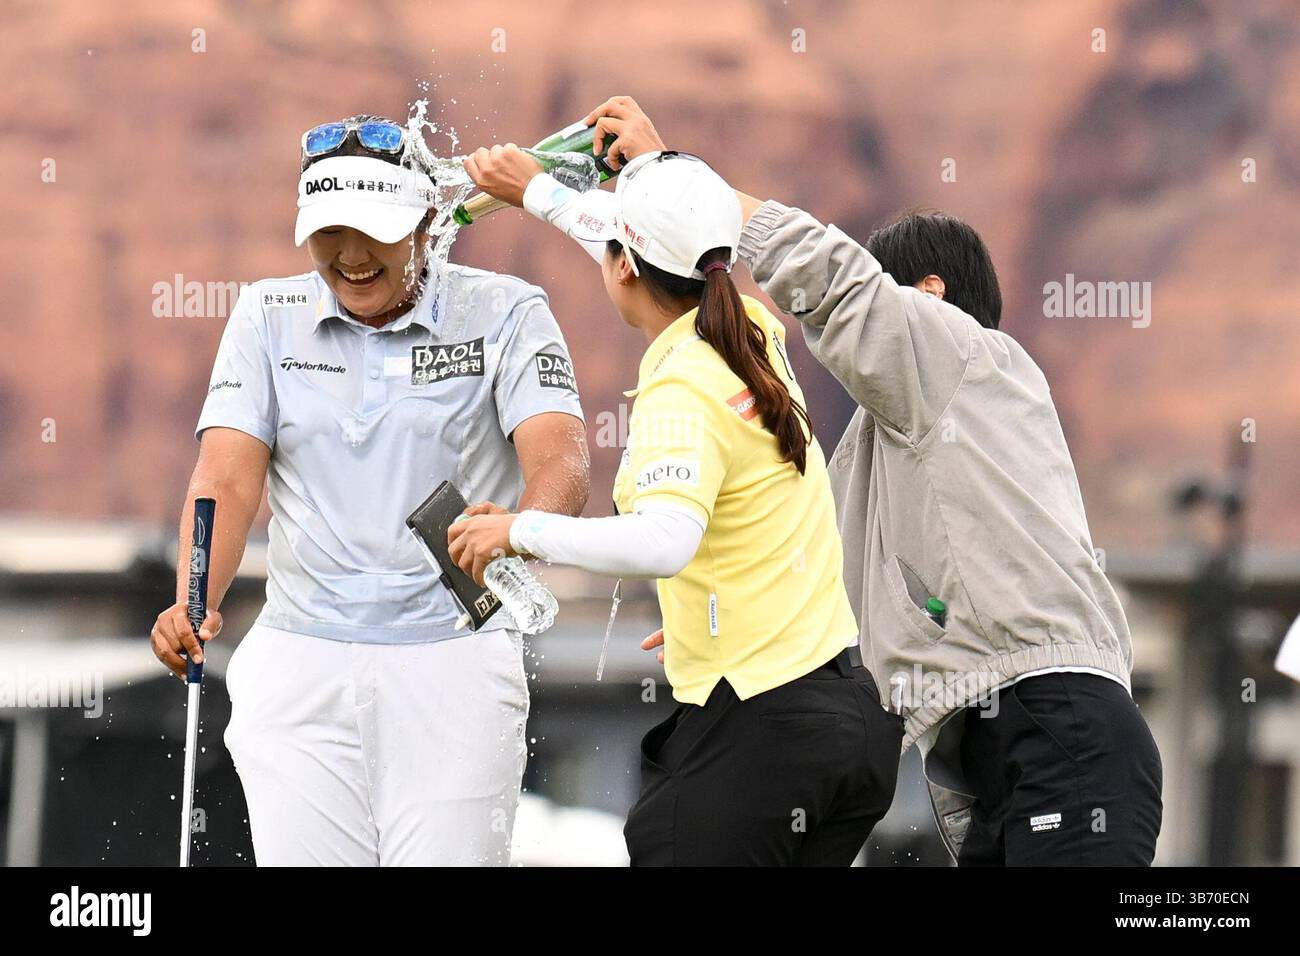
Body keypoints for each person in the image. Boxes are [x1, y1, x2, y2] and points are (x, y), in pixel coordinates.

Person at [587, 96, 1162, 866]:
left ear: (925, 298)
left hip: (1059, 729)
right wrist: (737, 614)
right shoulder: (889, 446)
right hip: (993, 759)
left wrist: (679, 181)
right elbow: (835, 596)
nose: (838, 344)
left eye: (882, 297)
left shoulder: (962, 354)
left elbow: (834, 280)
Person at [148, 115, 590, 866]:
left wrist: (522, 532)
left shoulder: (509, 310)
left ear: (426, 222)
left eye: (375, 232)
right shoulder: (265, 314)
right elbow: (226, 476)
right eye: (329, 233)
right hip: (301, 668)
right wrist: (195, 598)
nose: (350, 257)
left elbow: (564, 462)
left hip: (454, 667)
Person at [451, 144, 904, 866]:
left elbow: (665, 541)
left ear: (623, 265)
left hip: (761, 736)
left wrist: (520, 531)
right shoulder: (749, 328)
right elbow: (641, 237)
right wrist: (538, 192)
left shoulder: (679, 388)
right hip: (847, 721)